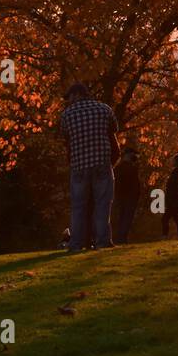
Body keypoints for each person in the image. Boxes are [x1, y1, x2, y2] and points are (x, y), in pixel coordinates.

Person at [59, 83, 119, 251]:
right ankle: (103, 240)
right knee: (102, 204)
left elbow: (67, 142)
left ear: (76, 94)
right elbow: (113, 133)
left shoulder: (66, 115)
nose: (68, 101)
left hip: (79, 165)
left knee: (78, 207)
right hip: (101, 162)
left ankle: (76, 243)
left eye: (69, 97)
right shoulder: (104, 109)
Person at [112, 148, 141, 244]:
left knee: (121, 218)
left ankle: (120, 239)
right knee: (126, 218)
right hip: (129, 197)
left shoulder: (117, 168)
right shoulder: (131, 168)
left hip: (120, 197)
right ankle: (122, 239)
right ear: (128, 155)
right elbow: (136, 185)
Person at [163, 153, 178, 238]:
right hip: (174, 200)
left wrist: (171, 199)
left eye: (174, 160)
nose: (172, 162)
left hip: (174, 200)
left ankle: (165, 235)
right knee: (176, 219)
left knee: (167, 218)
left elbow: (175, 187)